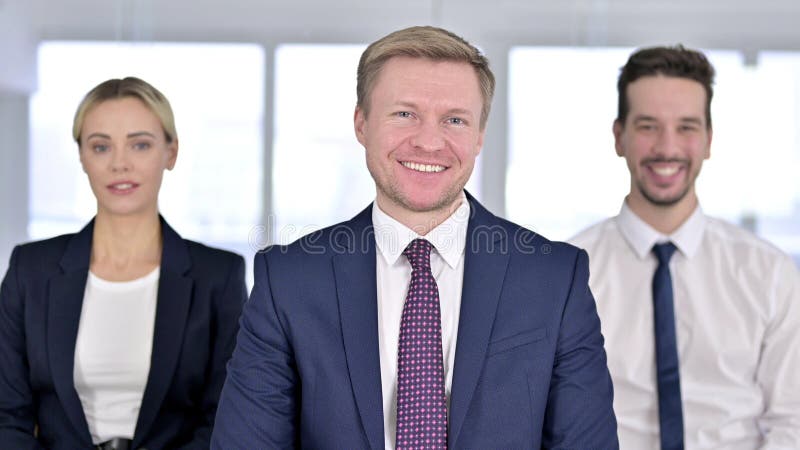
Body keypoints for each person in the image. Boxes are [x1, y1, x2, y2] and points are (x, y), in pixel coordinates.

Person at [211, 26, 617, 449]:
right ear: (361, 123)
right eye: (404, 113)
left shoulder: (554, 278)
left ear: (479, 136)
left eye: (454, 120)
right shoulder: (288, 281)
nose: (428, 141)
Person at [570, 45, 800, 449]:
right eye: (647, 126)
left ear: (709, 140)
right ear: (619, 136)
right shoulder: (568, 276)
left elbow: (792, 420)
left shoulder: (772, 275)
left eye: (687, 127)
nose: (667, 147)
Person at [0, 77, 247, 449]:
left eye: (140, 144)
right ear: (82, 156)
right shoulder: (30, 270)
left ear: (171, 152)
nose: (120, 163)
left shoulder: (219, 276)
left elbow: (225, 417)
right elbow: (7, 416)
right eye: (101, 146)